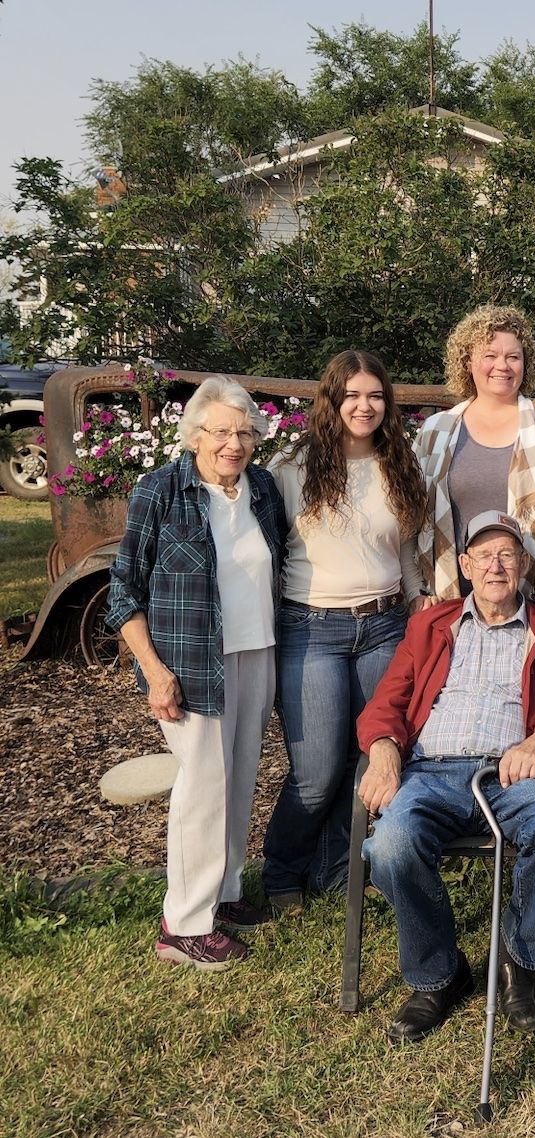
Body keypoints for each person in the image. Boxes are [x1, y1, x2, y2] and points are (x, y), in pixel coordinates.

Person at [355, 510, 535, 1042]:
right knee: (391, 847)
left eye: (507, 554)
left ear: (526, 564)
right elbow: (386, 701)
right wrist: (386, 747)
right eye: (484, 555)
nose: (496, 565)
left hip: (511, 775)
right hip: (429, 771)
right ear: (465, 565)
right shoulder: (430, 625)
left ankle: (520, 963)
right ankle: (440, 974)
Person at [106, 377, 287, 970]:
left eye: (244, 432)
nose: (232, 443)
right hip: (187, 664)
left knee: (238, 779)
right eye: (220, 432)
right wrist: (154, 671)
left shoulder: (260, 489)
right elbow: (123, 591)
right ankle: (183, 923)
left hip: (256, 650)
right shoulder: (161, 490)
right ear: (194, 436)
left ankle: (224, 891)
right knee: (203, 786)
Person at [261, 350, 430, 910]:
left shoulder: (400, 467)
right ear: (332, 400)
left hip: (384, 627)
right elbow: (267, 552)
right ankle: (282, 870)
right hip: (311, 628)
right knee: (316, 772)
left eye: (376, 396)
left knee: (368, 760)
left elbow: (404, 555)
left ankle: (336, 871)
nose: (365, 406)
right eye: (352, 395)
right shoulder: (291, 468)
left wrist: (418, 614)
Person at [413, 306, 535, 609]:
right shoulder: (435, 431)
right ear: (467, 362)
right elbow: (413, 517)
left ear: (526, 364)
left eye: (513, 357)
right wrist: (416, 590)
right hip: (450, 598)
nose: (503, 366)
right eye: (490, 356)